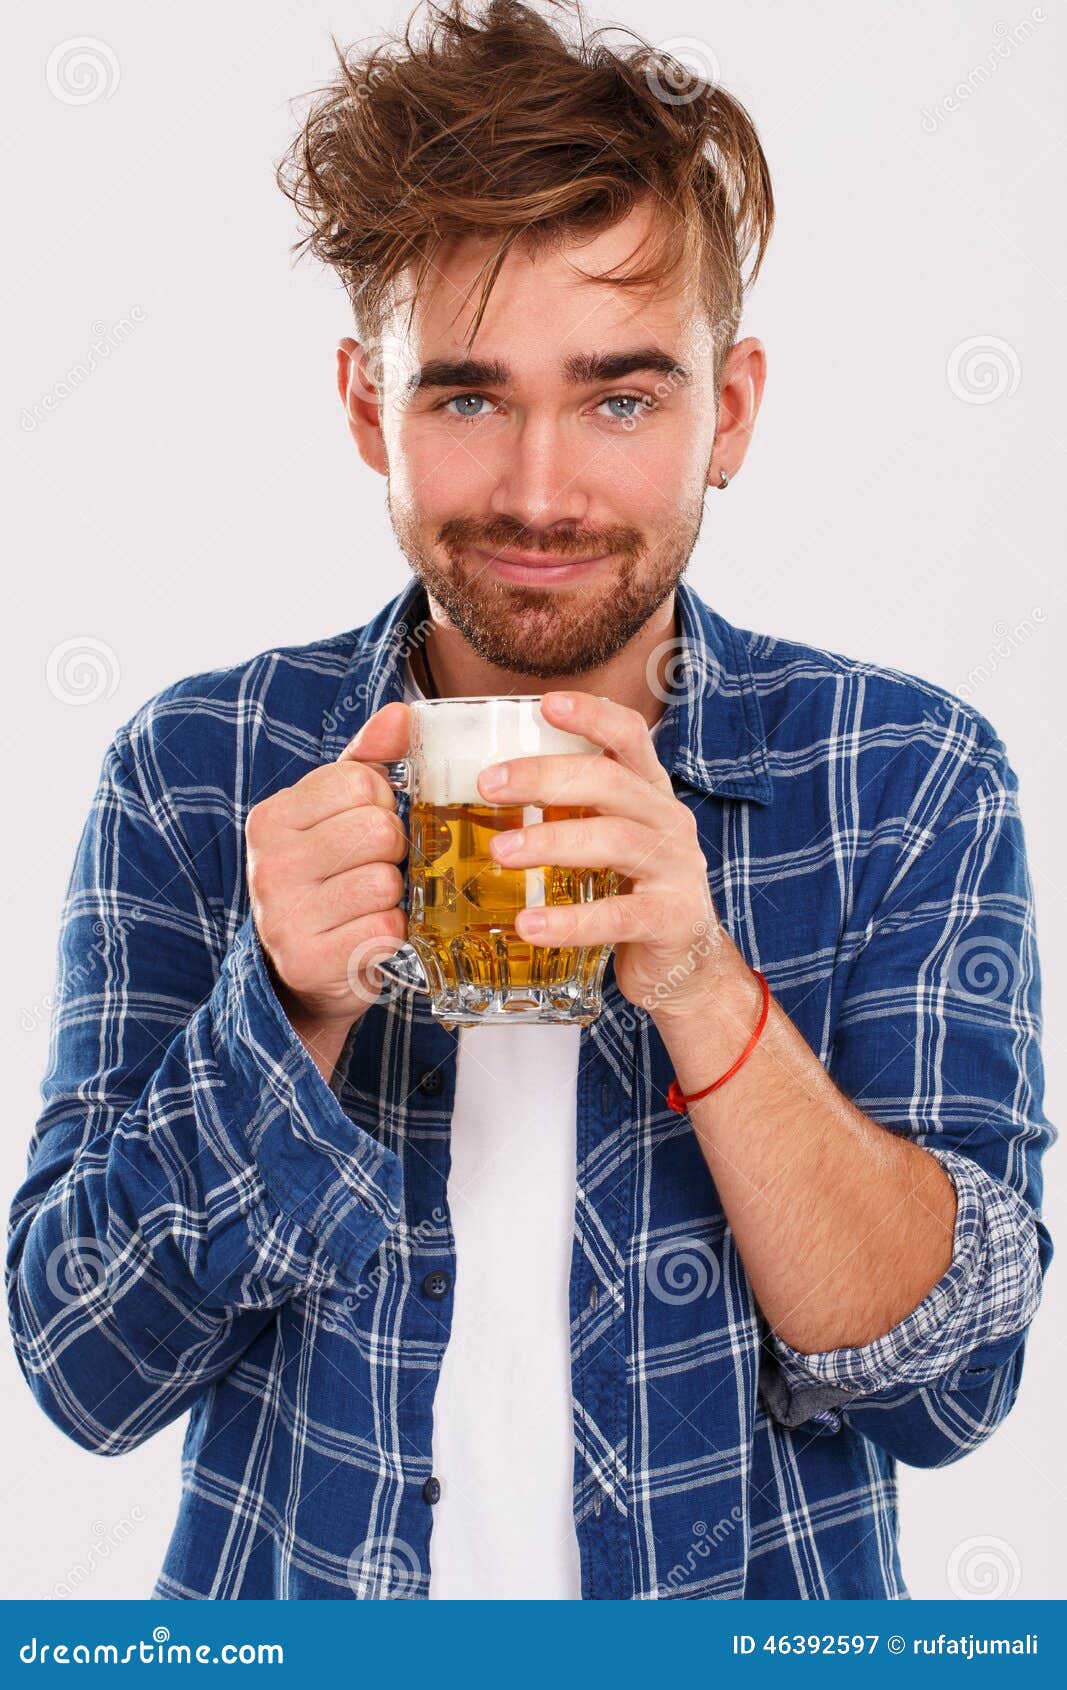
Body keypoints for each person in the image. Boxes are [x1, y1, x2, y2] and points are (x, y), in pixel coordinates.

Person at [7, 0, 1053, 1601]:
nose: (543, 490)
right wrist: (277, 1010)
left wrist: (702, 983)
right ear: (371, 406)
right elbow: (85, 1371)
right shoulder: (197, 768)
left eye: (623, 398)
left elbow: (949, 1384)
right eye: (468, 397)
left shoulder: (906, 775)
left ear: (735, 411)